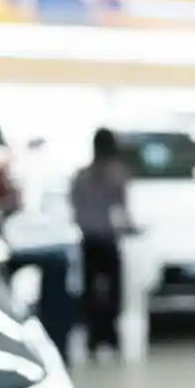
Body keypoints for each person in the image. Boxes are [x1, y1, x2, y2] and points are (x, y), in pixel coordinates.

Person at [70, 127, 131, 359]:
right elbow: (123, 210)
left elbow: (75, 206)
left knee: (90, 289)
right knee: (113, 290)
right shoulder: (117, 174)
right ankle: (110, 335)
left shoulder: (81, 176)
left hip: (88, 239)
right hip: (108, 238)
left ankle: (93, 337)